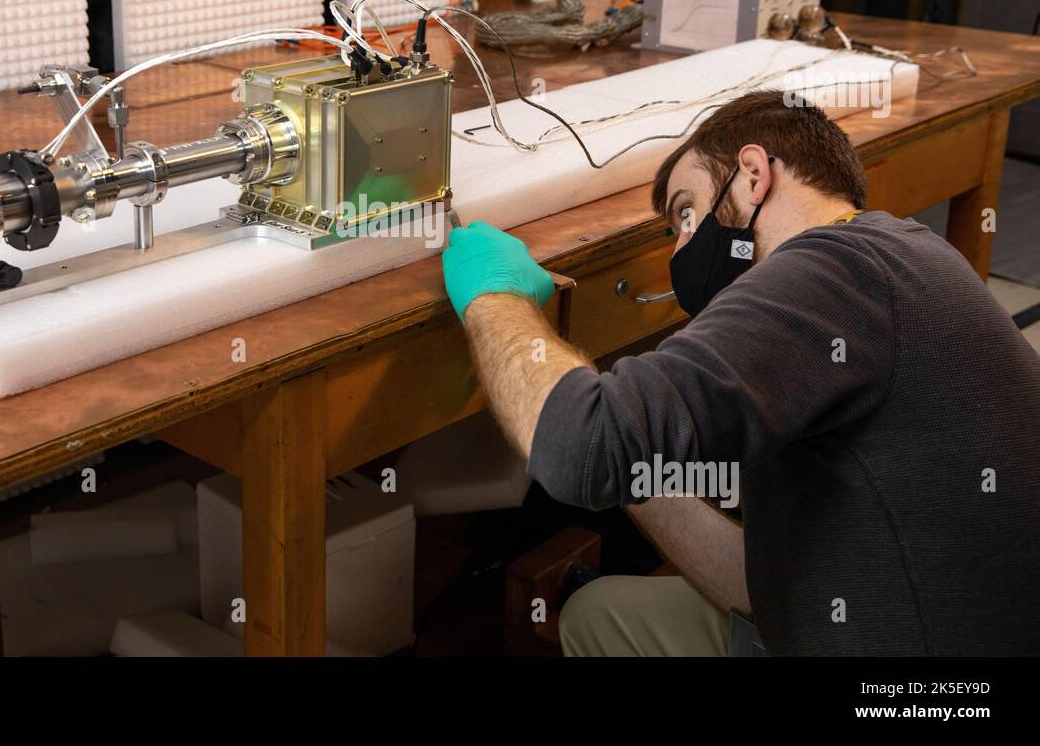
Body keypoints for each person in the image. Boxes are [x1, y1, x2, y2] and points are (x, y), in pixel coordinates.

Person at [441, 90, 1040, 655]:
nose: (680, 252)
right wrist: (630, 443)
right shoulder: (905, 253)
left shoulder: (831, 274)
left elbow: (576, 446)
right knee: (599, 614)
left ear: (753, 175)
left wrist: (494, 296)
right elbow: (757, 582)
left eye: (686, 213)